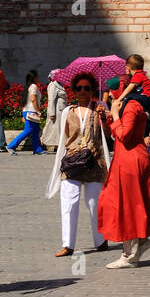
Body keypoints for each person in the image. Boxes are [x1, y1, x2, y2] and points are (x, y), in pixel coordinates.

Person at [97, 65, 150, 269]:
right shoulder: (130, 106)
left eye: (114, 91)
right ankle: (139, 243)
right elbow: (117, 132)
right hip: (128, 159)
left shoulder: (131, 106)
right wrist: (107, 118)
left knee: (128, 206)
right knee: (134, 204)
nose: (113, 95)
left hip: (130, 161)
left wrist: (113, 114)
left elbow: (124, 134)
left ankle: (129, 254)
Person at [46, 72, 111, 257]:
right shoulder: (68, 111)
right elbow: (64, 136)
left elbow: (108, 134)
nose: (83, 91)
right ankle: (68, 244)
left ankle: (100, 240)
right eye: (79, 88)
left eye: (87, 88)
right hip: (73, 161)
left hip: (94, 162)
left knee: (94, 203)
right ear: (74, 91)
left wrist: (103, 117)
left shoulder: (99, 108)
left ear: (92, 90)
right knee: (69, 202)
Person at [8, 69, 46, 154]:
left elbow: (25, 101)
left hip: (28, 111)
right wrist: (38, 111)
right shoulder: (33, 86)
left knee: (36, 131)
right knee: (28, 131)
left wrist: (23, 114)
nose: (38, 77)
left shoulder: (28, 86)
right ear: (34, 77)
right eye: (37, 76)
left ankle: (37, 149)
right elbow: (33, 99)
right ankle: (11, 146)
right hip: (32, 112)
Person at [40, 69, 67, 152]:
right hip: (56, 110)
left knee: (57, 129)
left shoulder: (59, 84)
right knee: (51, 128)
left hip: (60, 110)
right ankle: (42, 142)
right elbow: (51, 99)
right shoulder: (53, 85)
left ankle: (57, 144)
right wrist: (52, 113)